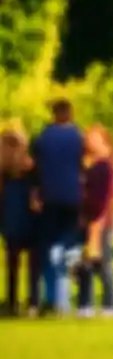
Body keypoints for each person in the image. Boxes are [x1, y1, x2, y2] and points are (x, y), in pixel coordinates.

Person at [31, 99, 84, 315]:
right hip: (73, 198)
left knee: (49, 248)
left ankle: (51, 297)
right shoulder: (78, 138)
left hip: (49, 198)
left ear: (53, 114)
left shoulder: (43, 138)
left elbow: (35, 168)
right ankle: (68, 298)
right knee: (69, 248)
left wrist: (35, 193)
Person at [76, 125, 113, 318]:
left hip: (101, 222)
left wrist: (95, 222)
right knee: (86, 264)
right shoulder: (91, 166)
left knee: (103, 264)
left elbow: (103, 200)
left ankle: (109, 305)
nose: (88, 141)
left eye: (92, 138)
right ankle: (85, 304)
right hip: (88, 220)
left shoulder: (104, 168)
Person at [1, 130, 39, 316]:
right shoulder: (32, 168)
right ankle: (33, 301)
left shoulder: (5, 171)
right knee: (33, 264)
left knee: (13, 264)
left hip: (12, 219)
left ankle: (12, 301)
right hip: (29, 219)